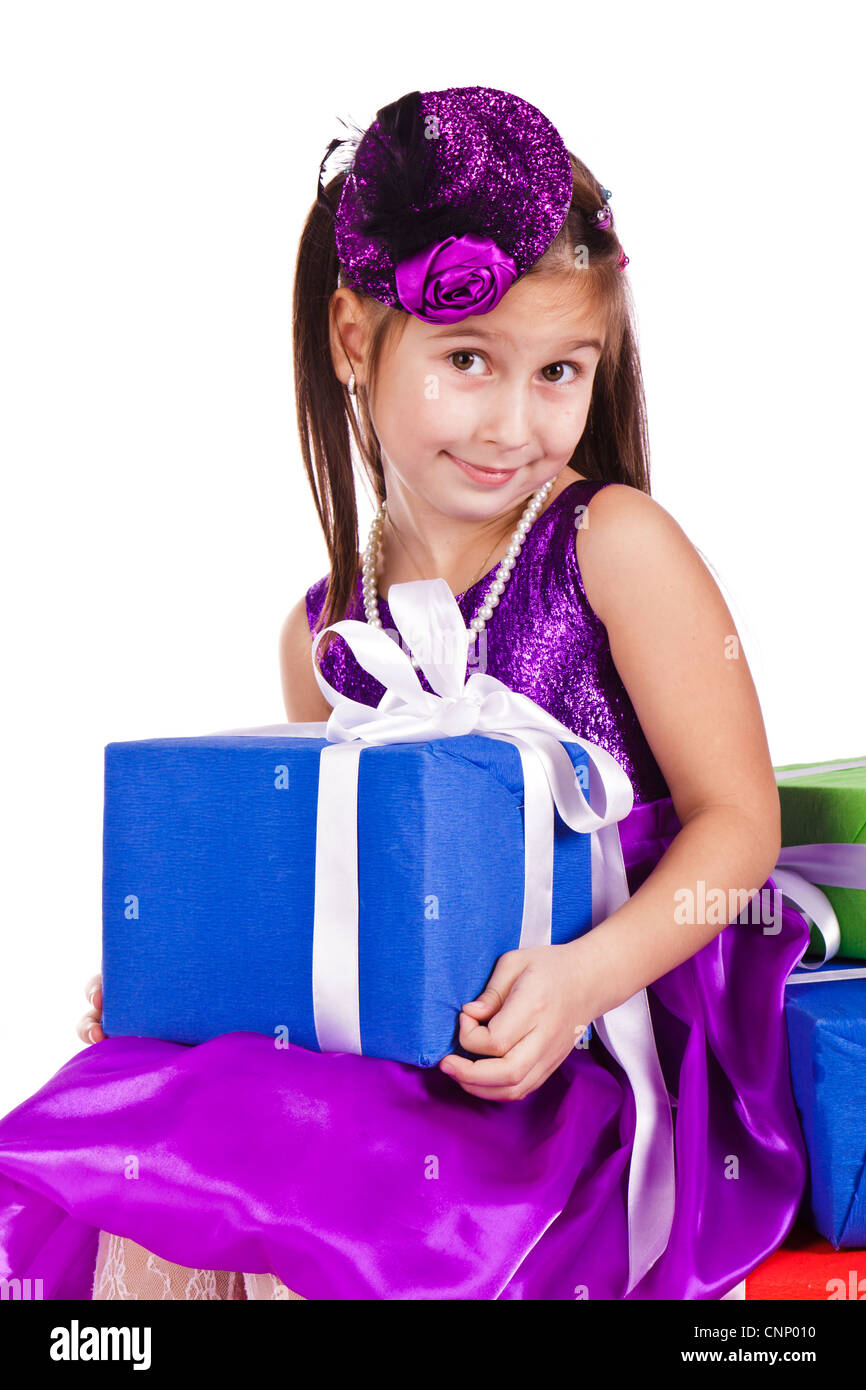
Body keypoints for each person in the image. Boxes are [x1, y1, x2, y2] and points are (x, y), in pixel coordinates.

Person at [1, 85, 812, 1301]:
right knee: (167, 1106)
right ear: (350, 338)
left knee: (340, 1196)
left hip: (604, 1042)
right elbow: (333, 907)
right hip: (424, 1051)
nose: (513, 420)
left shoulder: (611, 544)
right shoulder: (324, 632)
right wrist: (196, 982)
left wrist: (581, 977)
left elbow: (737, 828)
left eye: (559, 370)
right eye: (468, 360)